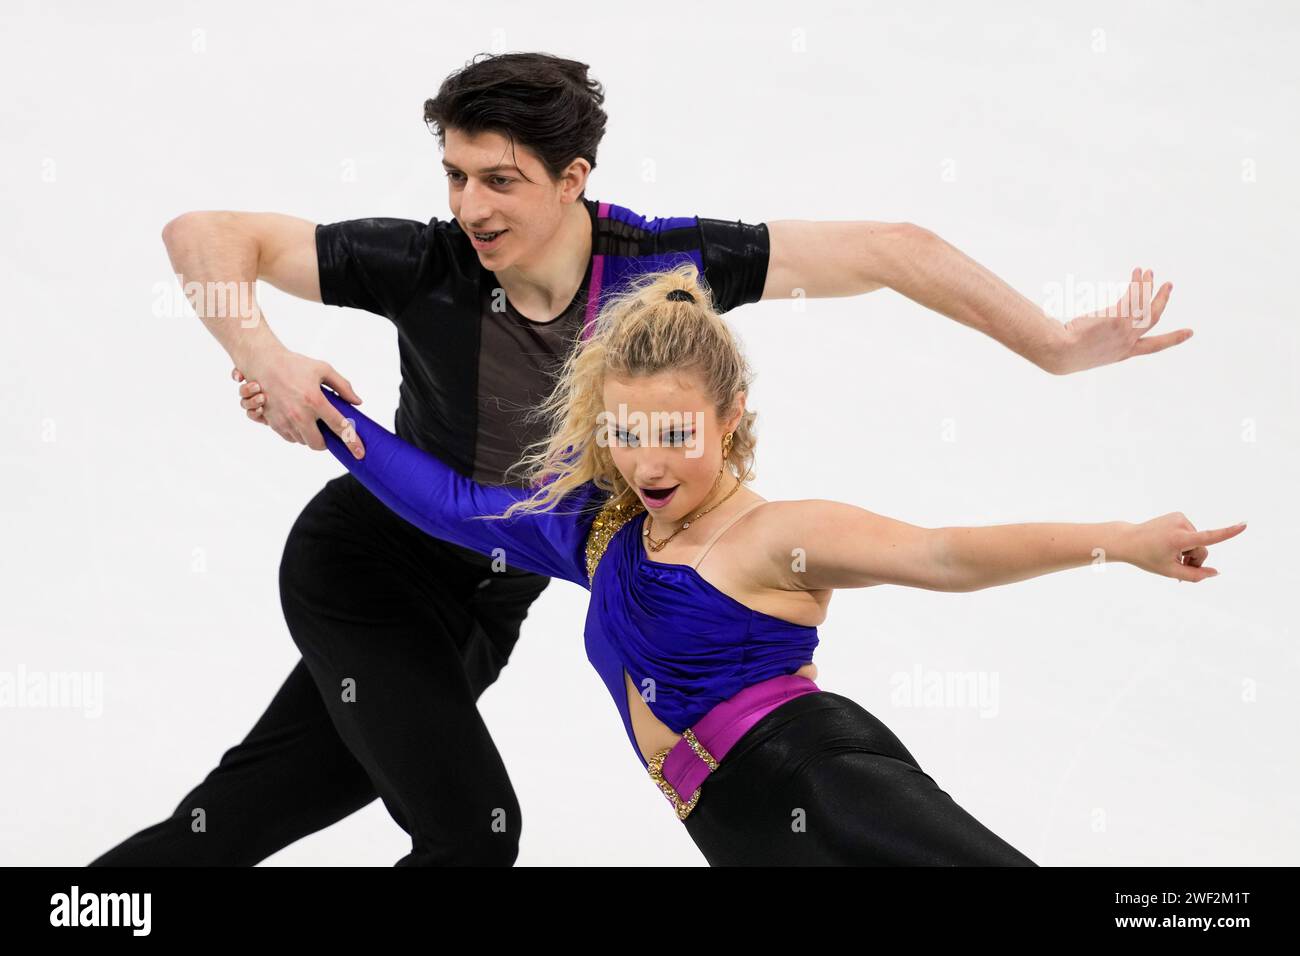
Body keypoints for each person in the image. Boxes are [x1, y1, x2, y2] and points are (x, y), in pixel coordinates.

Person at [92, 50, 1186, 867]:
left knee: (257, 802)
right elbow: (203, 233)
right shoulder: (419, 262)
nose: (470, 206)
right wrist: (266, 355)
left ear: (573, 177)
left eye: (501, 179)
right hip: (371, 566)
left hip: (505, 583)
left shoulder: (669, 263)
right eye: (456, 174)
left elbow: (887, 250)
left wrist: (1052, 346)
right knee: (472, 832)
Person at [285, 261, 1241, 864]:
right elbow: (450, 504)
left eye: (675, 432)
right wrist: (328, 419)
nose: (649, 461)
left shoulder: (774, 536)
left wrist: (1126, 540)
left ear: (730, 418)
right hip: (734, 832)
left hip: (825, 787)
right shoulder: (598, 531)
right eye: (625, 433)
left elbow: (945, 555)